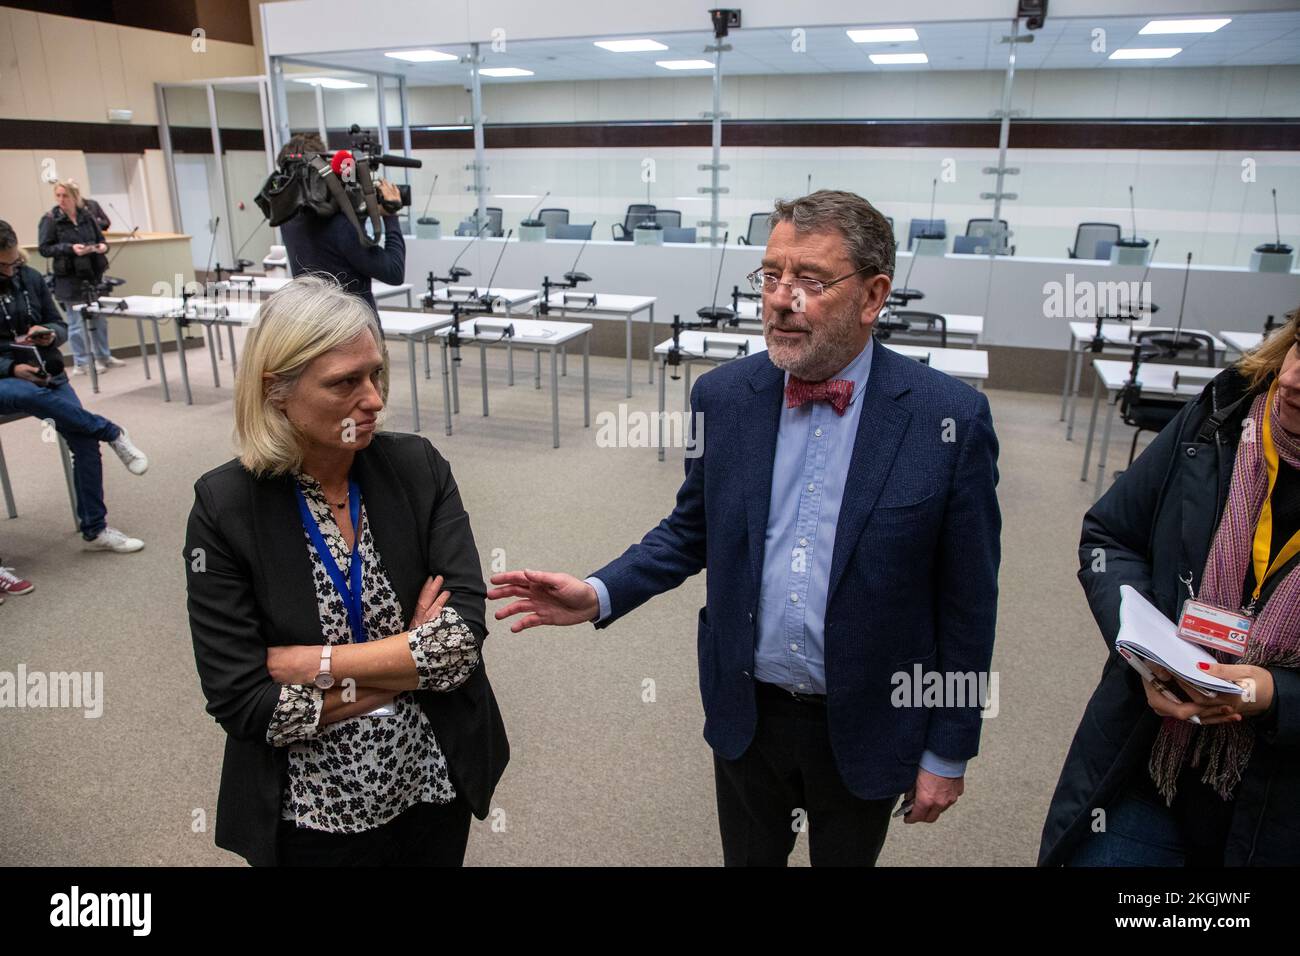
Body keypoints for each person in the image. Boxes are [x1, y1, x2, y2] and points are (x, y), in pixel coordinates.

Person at [490, 190, 1002, 866]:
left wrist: (948, 747)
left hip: (870, 717)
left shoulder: (949, 421)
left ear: (874, 296)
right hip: (747, 714)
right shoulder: (725, 398)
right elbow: (691, 530)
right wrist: (599, 592)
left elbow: (968, 601)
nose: (780, 298)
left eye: (810, 281)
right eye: (770, 276)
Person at [184, 275, 507, 866]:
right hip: (309, 806)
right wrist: (412, 658)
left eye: (376, 374)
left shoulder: (416, 467)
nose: (375, 399)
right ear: (276, 390)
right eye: (345, 383)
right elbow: (246, 704)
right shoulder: (225, 508)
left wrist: (315, 665)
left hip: (430, 775)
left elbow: (459, 648)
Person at [1040, 304, 1300, 867]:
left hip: (1276, 807)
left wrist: (1274, 694)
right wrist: (1148, 653)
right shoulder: (1224, 417)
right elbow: (1110, 538)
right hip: (1148, 756)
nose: (1294, 379)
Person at [0, 220, 148, 553]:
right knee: (26, 392)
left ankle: (95, 530)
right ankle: (111, 431)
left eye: (14, 262)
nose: (10, 270)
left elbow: (60, 325)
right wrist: (11, 367)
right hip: (6, 377)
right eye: (2, 265)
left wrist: (50, 334)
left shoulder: (31, 278)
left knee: (82, 440)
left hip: (45, 368)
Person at [275, 133, 406, 317]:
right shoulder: (341, 227)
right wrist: (390, 216)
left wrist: (358, 212)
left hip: (313, 329)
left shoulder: (288, 220)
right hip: (354, 335)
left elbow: (335, 254)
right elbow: (394, 272)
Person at [37, 181, 123, 375]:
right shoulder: (50, 219)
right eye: (58, 195)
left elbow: (101, 239)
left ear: (75, 197)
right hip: (68, 277)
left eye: (65, 196)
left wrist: (102, 247)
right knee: (76, 322)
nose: (61, 200)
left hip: (93, 274)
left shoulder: (87, 216)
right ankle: (81, 362)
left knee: (99, 319)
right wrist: (70, 249)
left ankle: (103, 355)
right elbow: (45, 248)